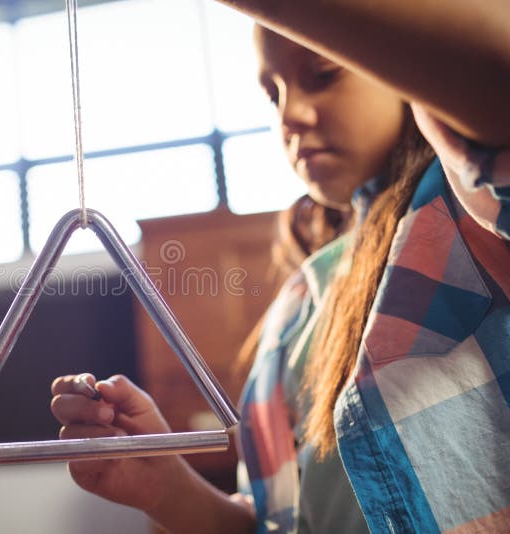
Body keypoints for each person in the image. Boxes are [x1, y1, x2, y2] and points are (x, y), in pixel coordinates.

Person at [50, 2, 510, 532]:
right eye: (273, 94)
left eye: (322, 74)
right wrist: (168, 488)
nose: (290, 116)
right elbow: (283, 521)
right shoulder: (297, 306)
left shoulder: (477, 219)